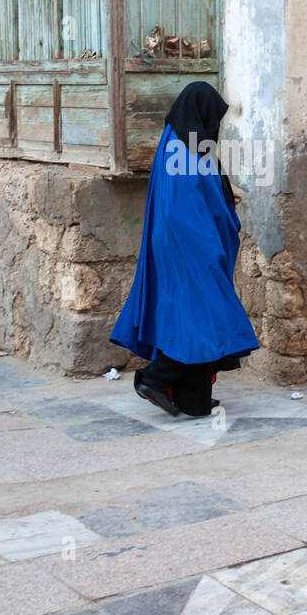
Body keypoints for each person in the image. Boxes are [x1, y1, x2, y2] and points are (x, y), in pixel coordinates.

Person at [110, 81, 260, 417]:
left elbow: (205, 189)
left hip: (184, 242)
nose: (215, 125)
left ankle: (192, 397)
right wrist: (214, 245)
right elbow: (187, 207)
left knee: (187, 314)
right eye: (213, 117)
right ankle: (153, 378)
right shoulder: (186, 146)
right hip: (190, 244)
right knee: (204, 314)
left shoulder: (179, 139)